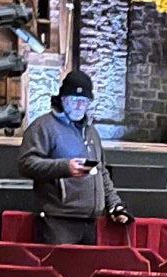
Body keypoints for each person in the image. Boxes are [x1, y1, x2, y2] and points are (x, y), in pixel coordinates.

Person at [18, 69, 131, 245]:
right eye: (74, 100)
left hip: (89, 223)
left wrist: (115, 205)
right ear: (62, 100)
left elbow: (101, 173)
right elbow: (26, 163)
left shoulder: (91, 132)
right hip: (58, 223)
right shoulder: (43, 127)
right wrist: (64, 167)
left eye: (84, 101)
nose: (79, 105)